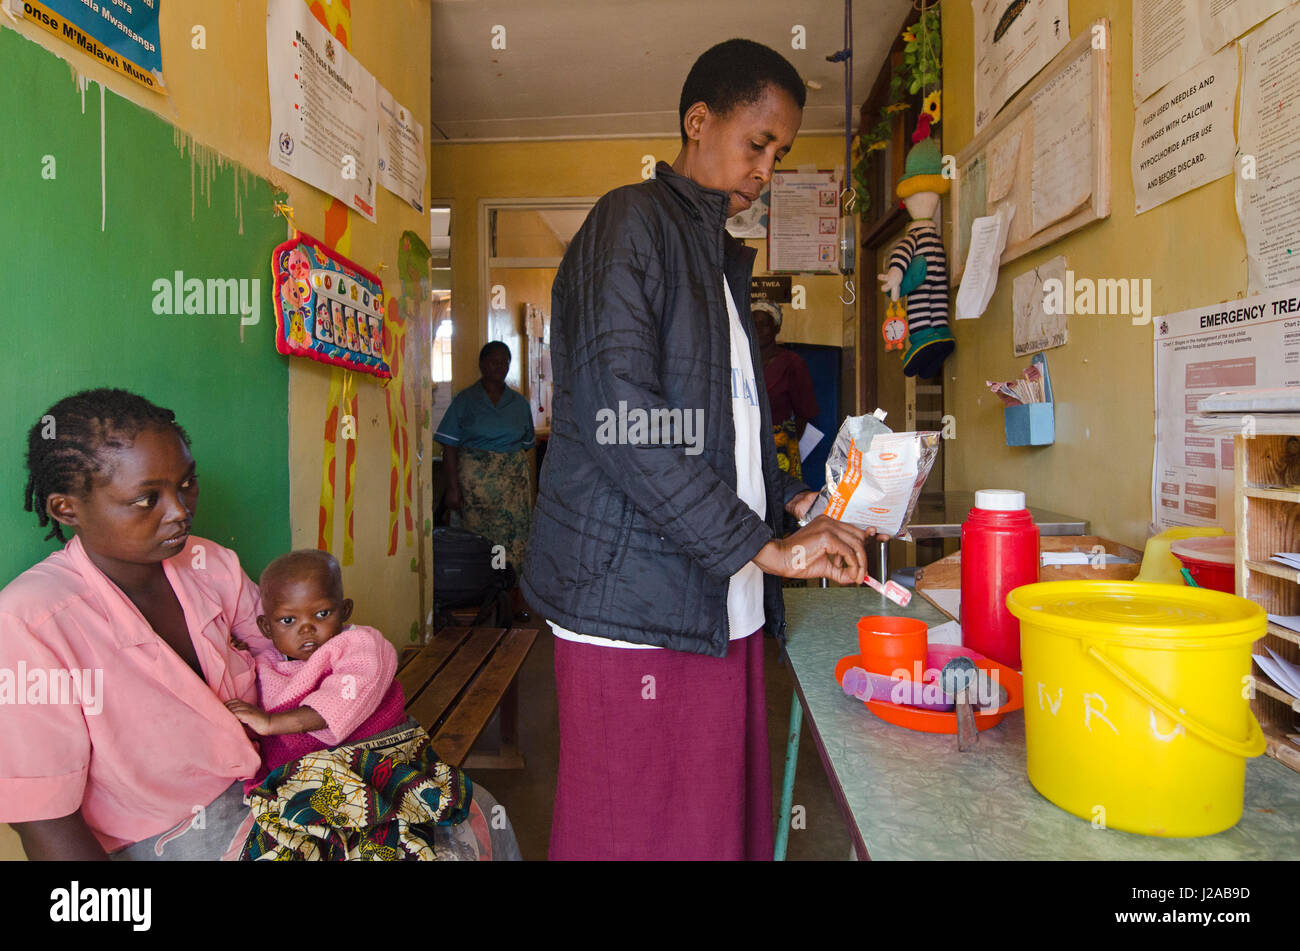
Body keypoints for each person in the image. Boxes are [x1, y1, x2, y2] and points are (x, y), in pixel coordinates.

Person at [523, 39, 880, 861]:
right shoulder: (629, 224)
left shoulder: (717, 261)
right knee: (635, 828)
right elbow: (624, 420)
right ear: (698, 121)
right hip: (634, 603)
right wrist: (763, 544)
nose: (766, 168)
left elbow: (734, 427)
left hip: (716, 594)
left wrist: (792, 499)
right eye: (759, 143)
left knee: (708, 826)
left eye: (780, 154)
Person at [0, 388, 517, 860]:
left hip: (271, 779)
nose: (180, 512)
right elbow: (44, 819)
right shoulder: (33, 620)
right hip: (169, 830)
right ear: (66, 508)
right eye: (146, 499)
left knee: (464, 820)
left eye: (186, 485)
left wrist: (359, 672)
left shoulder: (207, 564)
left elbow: (301, 649)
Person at [226, 549, 474, 860]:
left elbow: (336, 704)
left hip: (372, 755)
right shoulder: (267, 663)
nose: (306, 628)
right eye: (288, 620)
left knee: (383, 837)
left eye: (322, 614)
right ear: (266, 628)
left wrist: (270, 723)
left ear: (344, 611)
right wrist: (236, 653)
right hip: (309, 778)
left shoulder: (362, 647)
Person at [435, 341, 536, 616]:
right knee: (479, 542)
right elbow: (449, 446)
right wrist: (453, 489)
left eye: (505, 362)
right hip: (474, 488)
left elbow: (527, 444)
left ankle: (510, 598)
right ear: (481, 365)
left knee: (509, 545)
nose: (500, 366)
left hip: (511, 489)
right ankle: (480, 599)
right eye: (494, 361)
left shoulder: (519, 403)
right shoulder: (465, 400)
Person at [751, 300, 818, 482]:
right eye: (753, 323)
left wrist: (783, 443)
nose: (757, 329)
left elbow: (805, 413)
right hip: (748, 444)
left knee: (781, 501)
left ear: (776, 328)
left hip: (780, 448)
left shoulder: (792, 363)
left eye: (764, 324)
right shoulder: (741, 361)